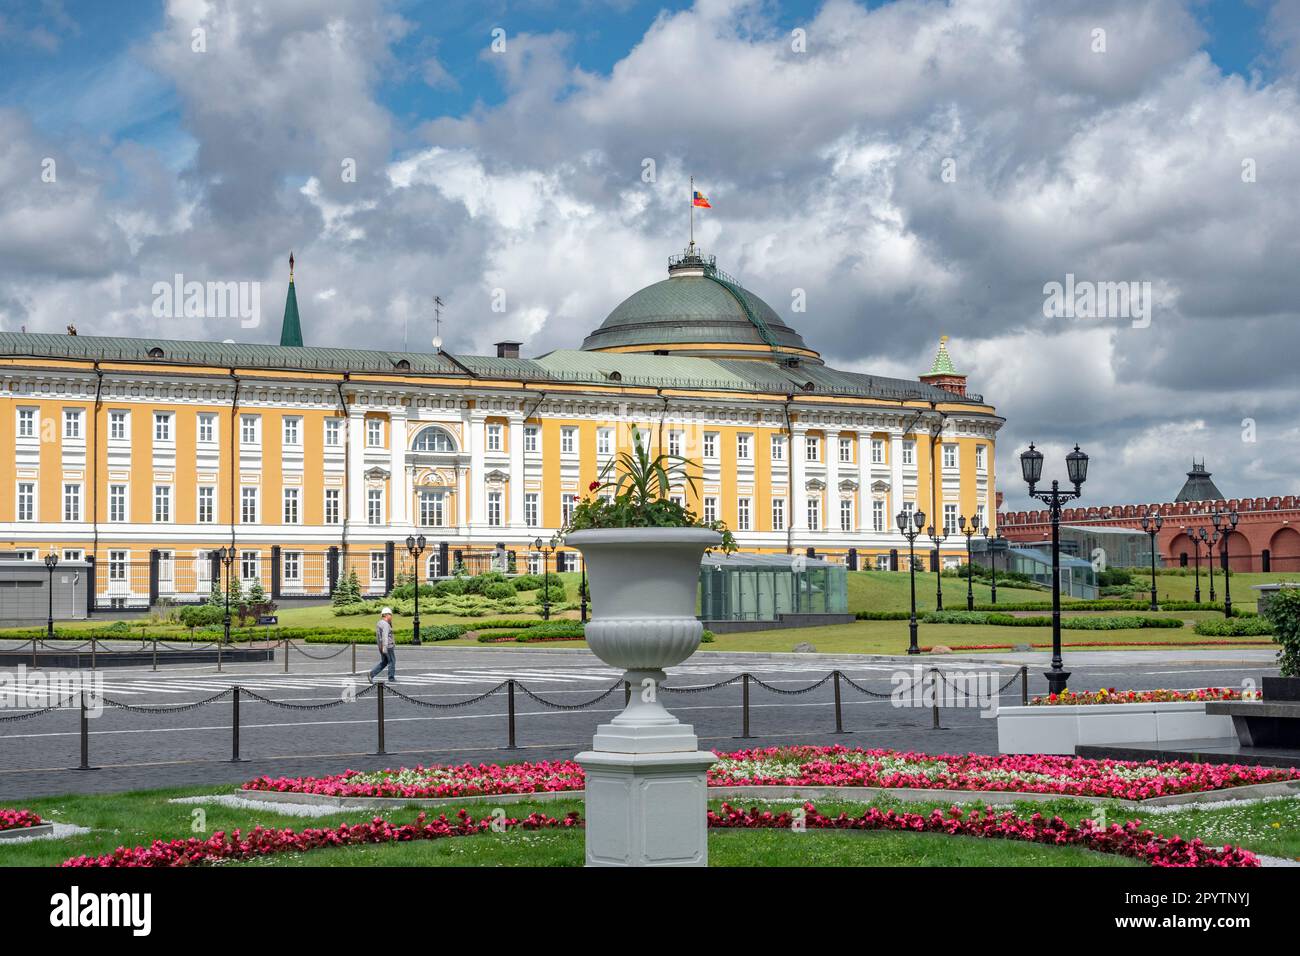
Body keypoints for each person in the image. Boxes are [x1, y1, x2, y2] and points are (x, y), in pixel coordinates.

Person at [369, 607, 396, 683]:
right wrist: (385, 647)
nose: (391, 617)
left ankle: (371, 674)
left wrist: (381, 647)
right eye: (390, 615)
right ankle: (391, 678)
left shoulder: (379, 623)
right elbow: (385, 636)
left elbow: (378, 636)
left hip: (381, 646)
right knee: (392, 661)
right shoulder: (385, 624)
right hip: (388, 646)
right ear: (387, 615)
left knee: (384, 662)